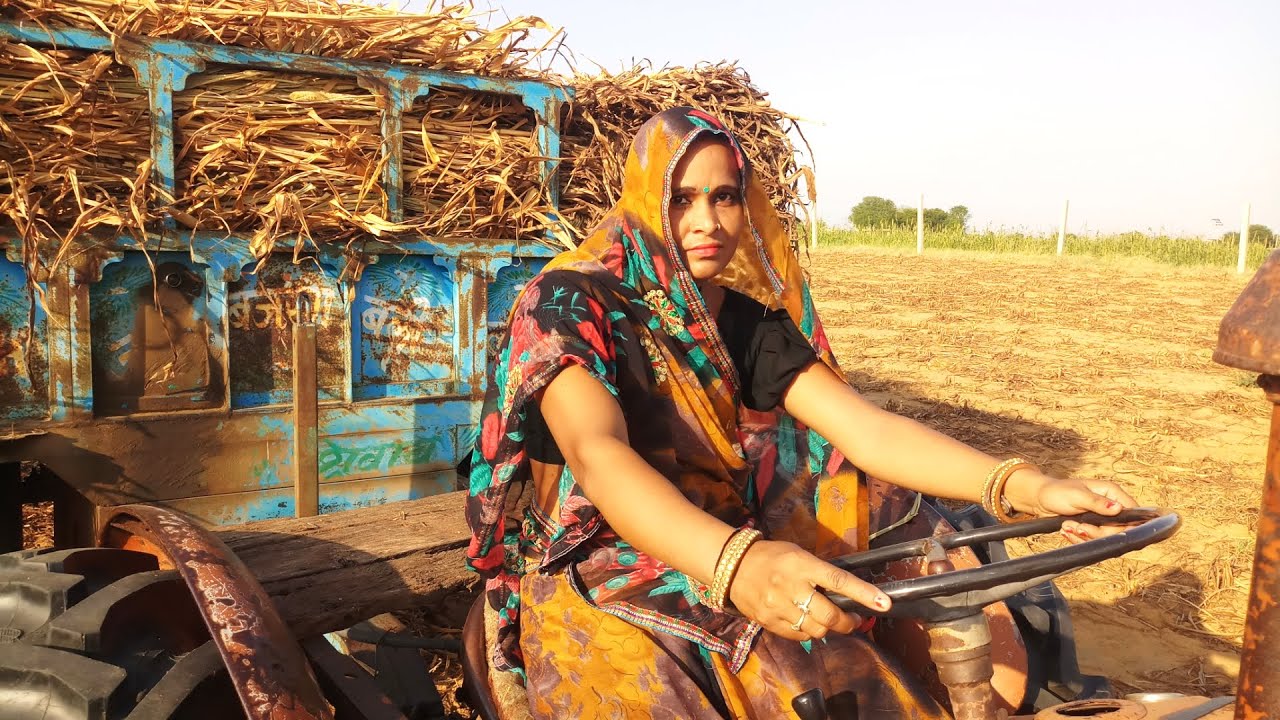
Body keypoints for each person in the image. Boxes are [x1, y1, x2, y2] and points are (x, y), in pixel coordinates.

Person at [464, 107, 1136, 718]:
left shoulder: (747, 320)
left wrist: (1028, 486)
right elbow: (597, 455)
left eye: (724, 196)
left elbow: (864, 429)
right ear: (644, 201)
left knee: (891, 515)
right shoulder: (567, 303)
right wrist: (739, 564)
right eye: (682, 199)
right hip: (609, 552)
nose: (707, 221)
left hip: (728, 528)